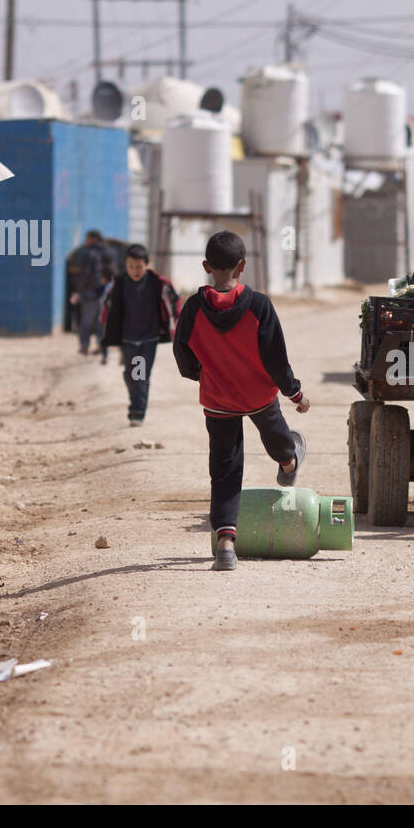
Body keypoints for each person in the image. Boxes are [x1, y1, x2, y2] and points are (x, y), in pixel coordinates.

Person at [173, 231, 310, 572]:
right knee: (277, 434)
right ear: (242, 266)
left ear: (206, 267)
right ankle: (289, 462)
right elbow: (277, 358)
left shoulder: (193, 307)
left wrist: (200, 375)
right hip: (259, 396)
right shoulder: (259, 305)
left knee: (224, 468)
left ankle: (225, 545)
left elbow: (181, 352)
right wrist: (295, 393)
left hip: (218, 400)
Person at [100, 244, 180, 427]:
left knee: (141, 376)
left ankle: (137, 412)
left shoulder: (156, 283)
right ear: (125, 265)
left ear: (147, 264)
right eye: (130, 267)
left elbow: (174, 302)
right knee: (130, 375)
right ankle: (135, 401)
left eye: (139, 267)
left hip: (148, 338)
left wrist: (172, 324)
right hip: (127, 338)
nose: (135, 271)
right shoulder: (120, 284)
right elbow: (108, 306)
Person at [68, 229, 110, 354]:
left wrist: (79, 293)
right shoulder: (109, 252)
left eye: (87, 238)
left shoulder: (89, 253)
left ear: (93, 239)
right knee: (100, 322)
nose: (85, 242)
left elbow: (86, 275)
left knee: (86, 322)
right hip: (106, 293)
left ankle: (84, 346)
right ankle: (101, 347)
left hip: (90, 294)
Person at [96, 267, 114, 365]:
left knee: (103, 337)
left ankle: (105, 357)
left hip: (107, 316)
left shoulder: (109, 287)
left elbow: (106, 302)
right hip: (109, 316)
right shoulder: (111, 286)